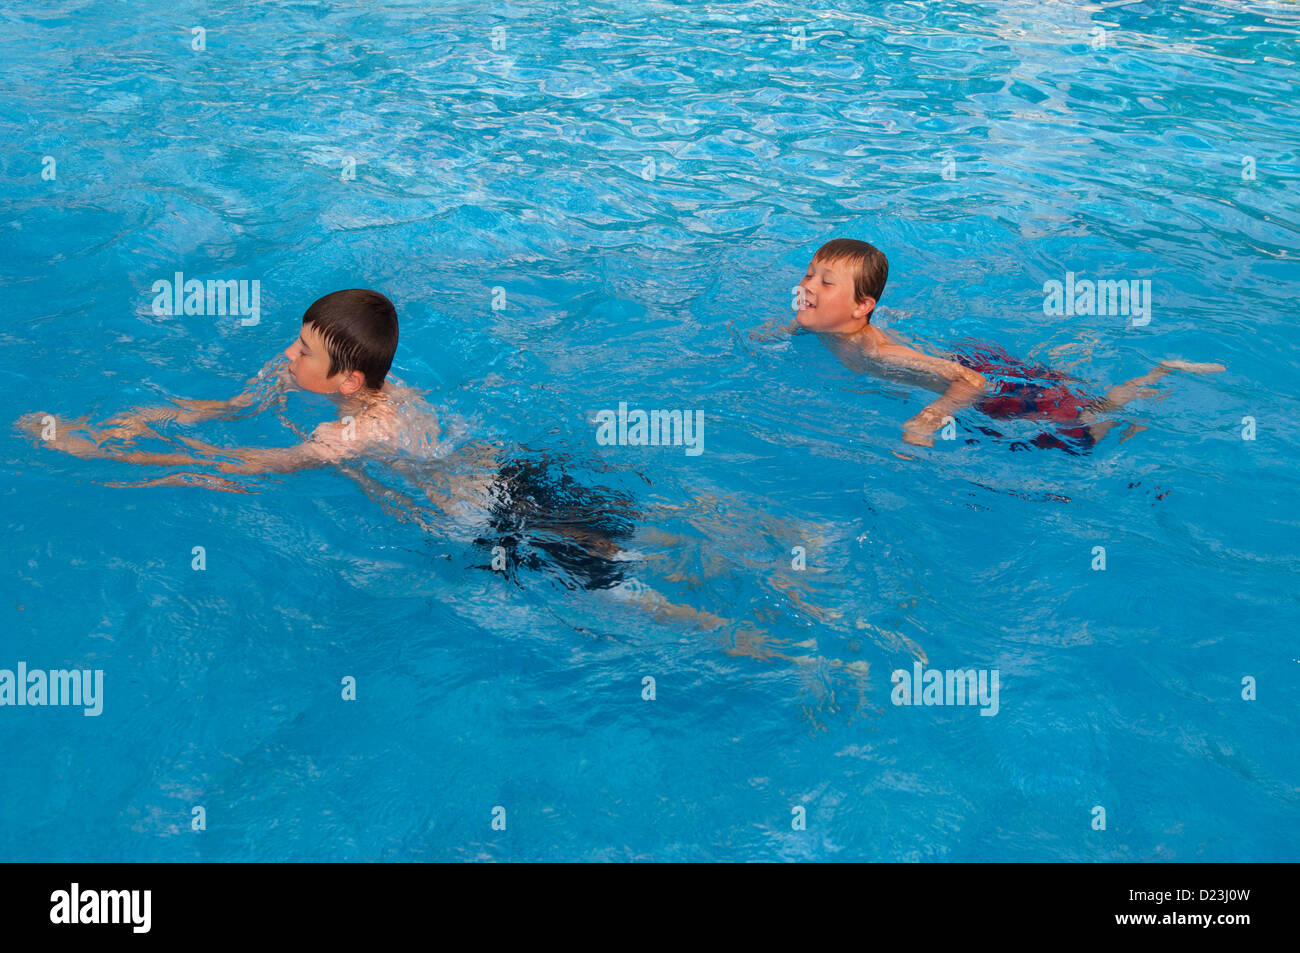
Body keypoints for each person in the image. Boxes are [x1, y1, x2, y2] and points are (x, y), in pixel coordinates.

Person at [14, 288, 709, 623]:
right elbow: (220, 414)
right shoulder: (372, 389)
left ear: (346, 378)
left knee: (629, 597)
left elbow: (235, 468)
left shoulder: (349, 437)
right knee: (649, 535)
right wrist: (124, 421)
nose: (288, 355)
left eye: (303, 352)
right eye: (297, 341)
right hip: (508, 471)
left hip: (494, 520)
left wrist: (89, 454)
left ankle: (757, 646)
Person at [763, 238, 1225, 452]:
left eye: (825, 282)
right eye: (808, 274)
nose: (808, 286)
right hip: (963, 360)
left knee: (1081, 434)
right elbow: (805, 324)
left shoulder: (872, 351)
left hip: (983, 383)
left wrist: (928, 418)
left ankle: (1160, 378)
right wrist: (780, 333)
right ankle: (1153, 377)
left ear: (862, 306)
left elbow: (973, 382)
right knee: (1087, 405)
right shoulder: (821, 324)